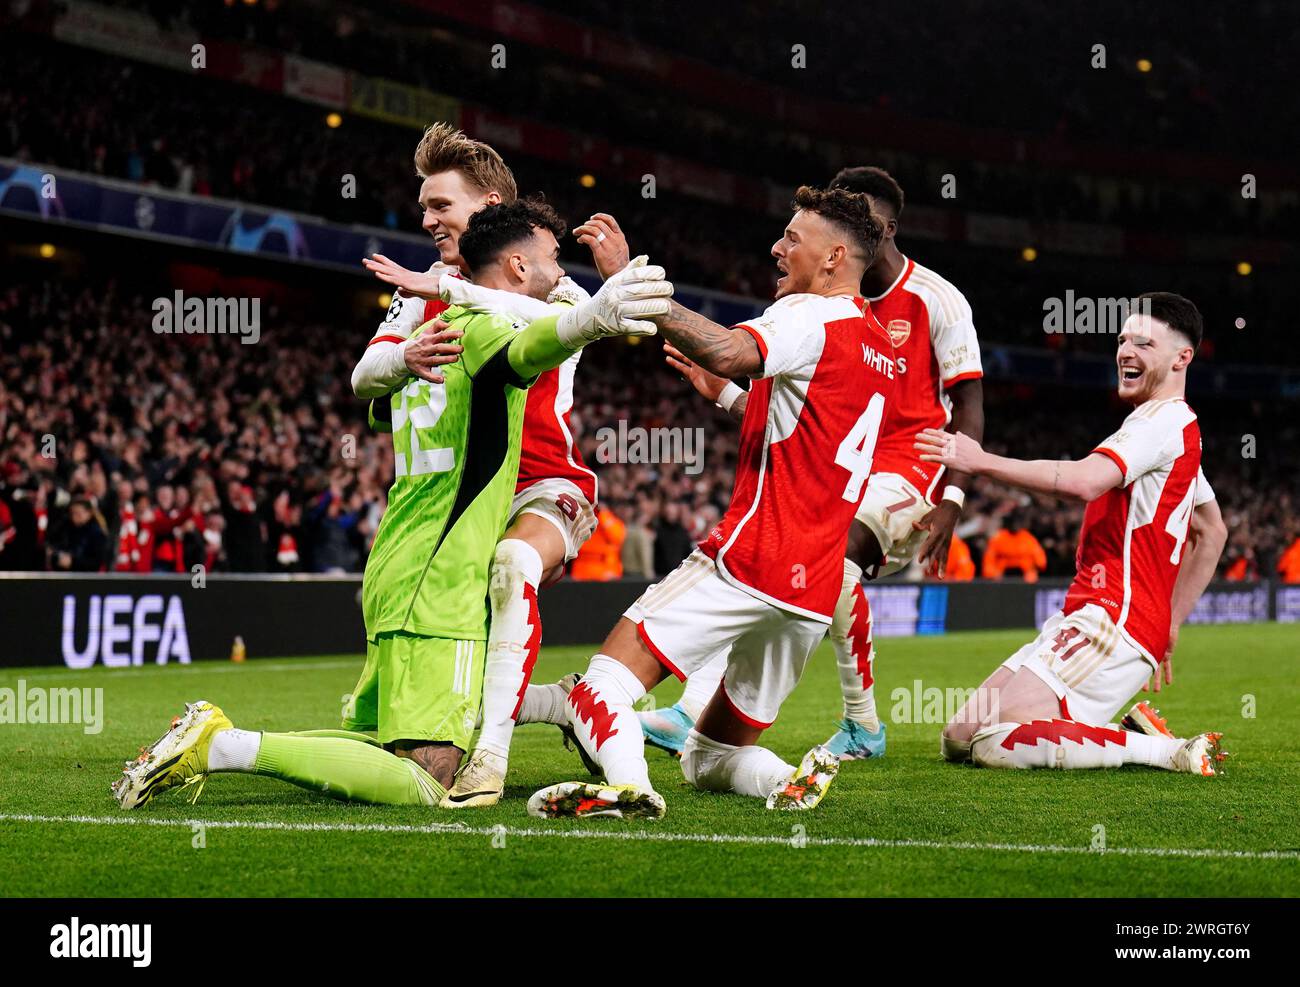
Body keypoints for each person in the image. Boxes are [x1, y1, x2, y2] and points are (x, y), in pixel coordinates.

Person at [111, 200, 672, 810]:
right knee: (429, 778)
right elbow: (535, 342)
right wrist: (592, 316)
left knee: (376, 746)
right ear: (515, 266)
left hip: (393, 567)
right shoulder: (479, 333)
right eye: (551, 263)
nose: (559, 274)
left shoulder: (415, 350)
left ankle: (222, 740)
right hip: (445, 583)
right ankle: (225, 745)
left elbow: (370, 388)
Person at [530, 185, 894, 819]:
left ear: (834, 257)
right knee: (708, 758)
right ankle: (785, 779)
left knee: (603, 685)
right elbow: (810, 432)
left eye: (792, 239)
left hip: (751, 558)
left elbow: (728, 348)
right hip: (811, 592)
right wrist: (728, 398)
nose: (777, 248)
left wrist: (628, 282)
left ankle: (626, 786)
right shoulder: (880, 351)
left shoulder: (810, 315)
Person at [639, 166, 984, 762]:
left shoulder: (936, 298)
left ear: (886, 229)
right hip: (840, 468)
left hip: (910, 468)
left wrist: (952, 500)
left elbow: (971, 404)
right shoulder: (815, 305)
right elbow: (808, 419)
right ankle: (704, 709)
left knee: (833, 557)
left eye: (867, 219)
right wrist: (724, 395)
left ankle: (859, 723)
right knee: (772, 558)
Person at [352, 125, 630, 806]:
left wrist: (454, 293)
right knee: (456, 666)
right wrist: (404, 357)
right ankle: (564, 705)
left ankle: (492, 758)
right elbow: (364, 375)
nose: (427, 219)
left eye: (441, 204)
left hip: (544, 484)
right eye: (424, 206)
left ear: (491, 203)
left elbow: (586, 317)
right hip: (461, 498)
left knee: (513, 565)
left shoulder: (545, 277)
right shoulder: (419, 289)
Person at [924, 293, 1230, 775]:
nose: (1125, 351)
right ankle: (1132, 732)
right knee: (958, 739)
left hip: (1115, 622)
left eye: (1144, 343)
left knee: (993, 741)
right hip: (1089, 614)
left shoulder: (1163, 423)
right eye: (1123, 340)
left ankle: (1163, 750)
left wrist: (978, 460)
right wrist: (1171, 622)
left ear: (1182, 358)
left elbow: (1087, 482)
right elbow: (1212, 531)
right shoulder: (1167, 430)